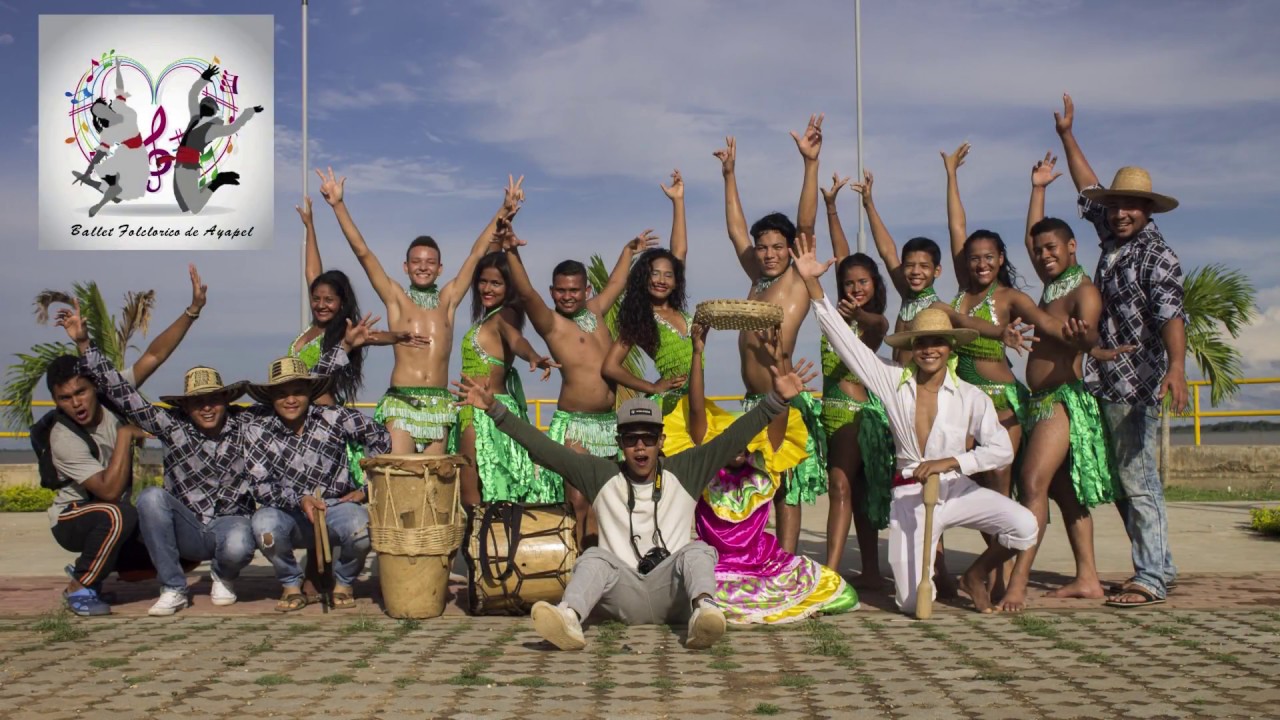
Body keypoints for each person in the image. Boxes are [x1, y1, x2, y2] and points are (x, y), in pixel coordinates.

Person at [453, 343, 814, 650]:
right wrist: (495, 410)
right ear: (619, 443)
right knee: (594, 556)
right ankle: (568, 619)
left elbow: (732, 439)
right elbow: (545, 449)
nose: (640, 446)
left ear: (660, 441)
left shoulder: (685, 470)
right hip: (621, 595)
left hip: (673, 598)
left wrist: (776, 400)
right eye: (630, 438)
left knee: (699, 550)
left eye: (647, 438)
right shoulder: (601, 473)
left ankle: (705, 612)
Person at [794, 233, 1038, 614]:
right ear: (913, 344)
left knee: (1024, 525)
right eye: (922, 341)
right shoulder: (891, 380)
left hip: (957, 491)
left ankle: (975, 575)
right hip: (910, 498)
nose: (929, 349)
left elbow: (1001, 449)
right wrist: (812, 282)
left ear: (950, 346)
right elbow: (842, 338)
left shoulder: (971, 395)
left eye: (938, 341)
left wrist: (951, 463)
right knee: (912, 605)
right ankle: (929, 574)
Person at [1055, 93, 1187, 608]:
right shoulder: (1111, 238)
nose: (1121, 212)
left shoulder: (1158, 256)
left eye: (1131, 205)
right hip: (1106, 381)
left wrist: (1176, 368)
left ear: (1147, 210)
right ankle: (1160, 565)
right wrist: (1068, 135)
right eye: (1116, 205)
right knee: (1122, 481)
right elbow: (1087, 186)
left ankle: (1150, 576)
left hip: (1138, 383)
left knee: (1138, 478)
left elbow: (1173, 315)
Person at [999, 152, 1129, 612]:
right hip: (1039, 402)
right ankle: (1089, 579)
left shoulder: (1082, 291)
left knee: (1032, 483)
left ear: (1072, 247)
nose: (1043, 254)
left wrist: (1086, 337)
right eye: (1039, 250)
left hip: (1061, 400)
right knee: (1062, 492)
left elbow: (1089, 332)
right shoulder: (1051, 286)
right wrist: (1038, 188)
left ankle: (1017, 583)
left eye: (1052, 247)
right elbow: (1031, 233)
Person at [43, 268, 212, 616]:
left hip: (113, 517)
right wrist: (124, 435)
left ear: (94, 387)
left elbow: (154, 356)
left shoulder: (112, 398)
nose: (75, 403)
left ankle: (96, 567)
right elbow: (106, 490)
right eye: (64, 398)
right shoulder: (62, 435)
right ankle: (79, 587)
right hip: (72, 519)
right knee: (118, 512)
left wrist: (193, 310)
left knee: (185, 546)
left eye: (81, 392)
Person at [314, 169, 520, 454]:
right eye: (416, 262)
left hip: (439, 404)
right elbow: (363, 253)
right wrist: (338, 205)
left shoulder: (448, 299)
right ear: (405, 267)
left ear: (440, 269)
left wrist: (504, 211)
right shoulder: (396, 297)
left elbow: (476, 254)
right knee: (400, 478)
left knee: (434, 485)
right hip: (402, 402)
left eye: (430, 262)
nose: (423, 266)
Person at [711, 117, 829, 555]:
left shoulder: (795, 277)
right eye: (764, 247)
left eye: (777, 246)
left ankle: (787, 559)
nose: (769, 253)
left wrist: (810, 164)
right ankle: (751, 556)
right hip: (750, 401)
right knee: (751, 486)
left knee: (786, 487)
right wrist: (729, 176)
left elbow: (805, 225)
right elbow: (735, 231)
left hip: (782, 397)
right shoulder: (757, 280)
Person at [687, 323, 859, 623]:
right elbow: (697, 409)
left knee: (835, 589)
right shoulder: (706, 471)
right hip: (715, 564)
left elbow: (780, 411)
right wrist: (697, 353)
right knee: (694, 591)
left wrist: (779, 366)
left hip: (760, 561)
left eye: (745, 440)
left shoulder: (763, 468)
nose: (739, 446)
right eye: (732, 439)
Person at [500, 224, 658, 547]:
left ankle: (596, 565)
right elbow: (527, 292)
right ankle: (574, 566)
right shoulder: (551, 323)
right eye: (561, 291)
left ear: (586, 290)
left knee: (605, 500)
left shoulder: (596, 310)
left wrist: (630, 250)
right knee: (578, 498)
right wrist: (511, 251)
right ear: (552, 291)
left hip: (607, 425)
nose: (568, 296)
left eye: (574, 290)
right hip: (575, 424)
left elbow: (616, 282)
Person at [245, 346, 391, 612]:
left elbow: (380, 436)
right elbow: (261, 485)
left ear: (310, 394)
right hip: (288, 512)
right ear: (271, 398)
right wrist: (300, 500)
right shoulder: (257, 429)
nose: (291, 400)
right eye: (281, 394)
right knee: (263, 526)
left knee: (362, 529)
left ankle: (344, 583)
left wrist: (367, 488)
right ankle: (290, 583)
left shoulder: (333, 417)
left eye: (298, 392)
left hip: (335, 506)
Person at [818, 173, 895, 583]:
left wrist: (857, 313)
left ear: (874, 285)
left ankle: (858, 571)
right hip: (835, 413)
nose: (855, 288)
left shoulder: (872, 320)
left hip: (863, 415)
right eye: (848, 283)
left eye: (863, 282)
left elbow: (877, 325)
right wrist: (832, 207)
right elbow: (843, 256)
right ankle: (845, 572)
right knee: (844, 489)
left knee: (856, 492)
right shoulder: (834, 313)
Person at [452, 250, 557, 506]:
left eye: (496, 283)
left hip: (487, 414)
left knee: (480, 492)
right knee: (472, 488)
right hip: (470, 411)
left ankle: (481, 542)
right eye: (483, 281)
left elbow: (516, 339)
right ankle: (478, 542)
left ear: (508, 287)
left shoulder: (504, 316)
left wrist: (532, 355)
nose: (487, 288)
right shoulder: (487, 317)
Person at [173, 64, 263, 214]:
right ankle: (215, 182)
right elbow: (192, 94)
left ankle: (218, 181)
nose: (205, 104)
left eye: (209, 104)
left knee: (194, 208)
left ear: (213, 112)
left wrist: (249, 112)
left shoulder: (212, 129)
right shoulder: (195, 118)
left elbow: (233, 128)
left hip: (188, 167)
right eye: (205, 103)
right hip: (181, 165)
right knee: (186, 205)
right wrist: (203, 79)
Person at [72, 57, 148, 217]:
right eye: (97, 113)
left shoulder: (119, 106)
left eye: (100, 108)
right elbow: (100, 153)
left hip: (138, 153)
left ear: (105, 106)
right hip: (126, 154)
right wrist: (88, 171)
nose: (100, 111)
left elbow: (120, 87)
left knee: (120, 195)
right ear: (98, 117)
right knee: (116, 188)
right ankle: (97, 194)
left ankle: (94, 186)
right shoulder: (108, 132)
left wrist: (118, 69)